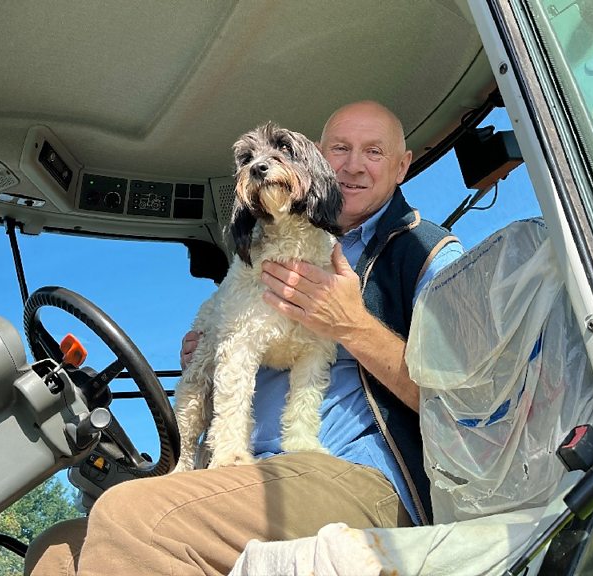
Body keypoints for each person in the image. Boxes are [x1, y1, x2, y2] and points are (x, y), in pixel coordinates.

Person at [25, 101, 463, 576]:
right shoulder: (261, 248)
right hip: (245, 469)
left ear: (403, 165)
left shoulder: (426, 253)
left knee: (130, 514)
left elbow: (467, 404)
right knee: (57, 549)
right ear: (316, 157)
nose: (354, 165)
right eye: (340, 148)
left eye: (374, 152)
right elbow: (238, 341)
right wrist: (209, 347)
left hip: (351, 474)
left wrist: (352, 326)